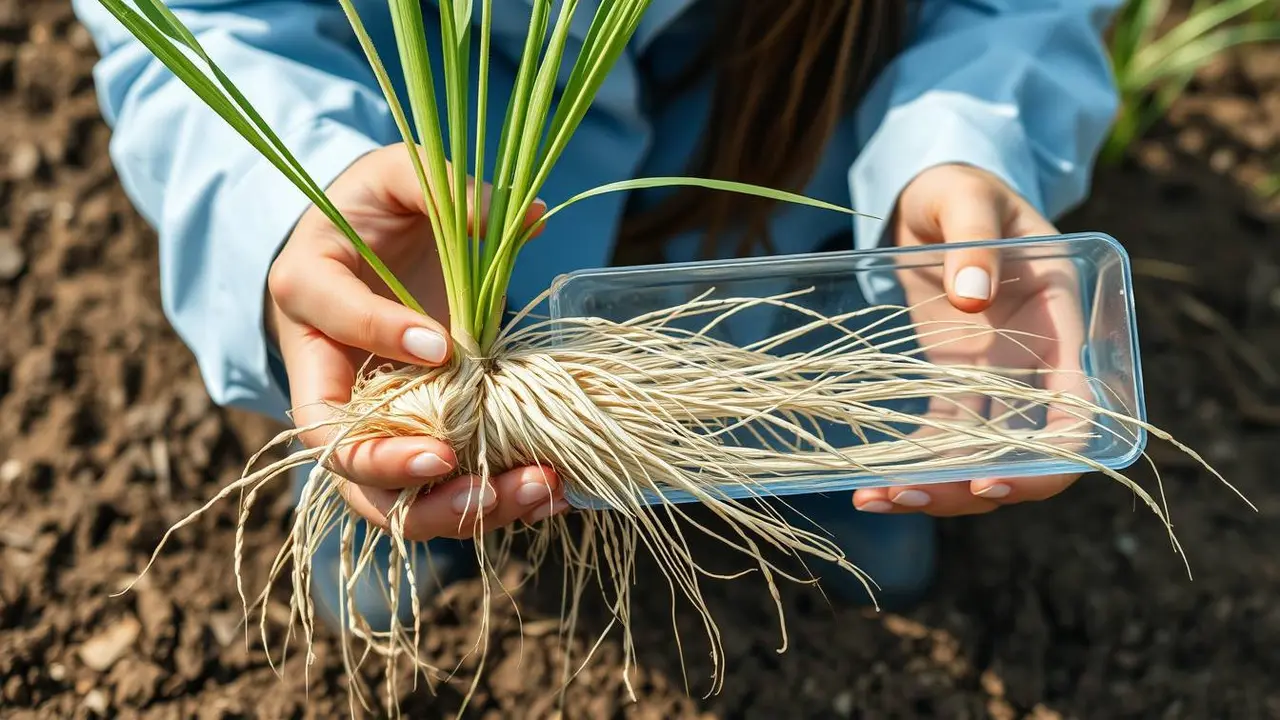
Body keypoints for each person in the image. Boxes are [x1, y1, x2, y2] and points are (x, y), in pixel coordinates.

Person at [73, 0, 1123, 629]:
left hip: (794, 104)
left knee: (862, 477)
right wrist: (304, 200)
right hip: (426, 169)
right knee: (418, 421)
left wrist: (957, 140)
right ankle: (412, 419)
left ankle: (808, 422)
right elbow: (203, 23)